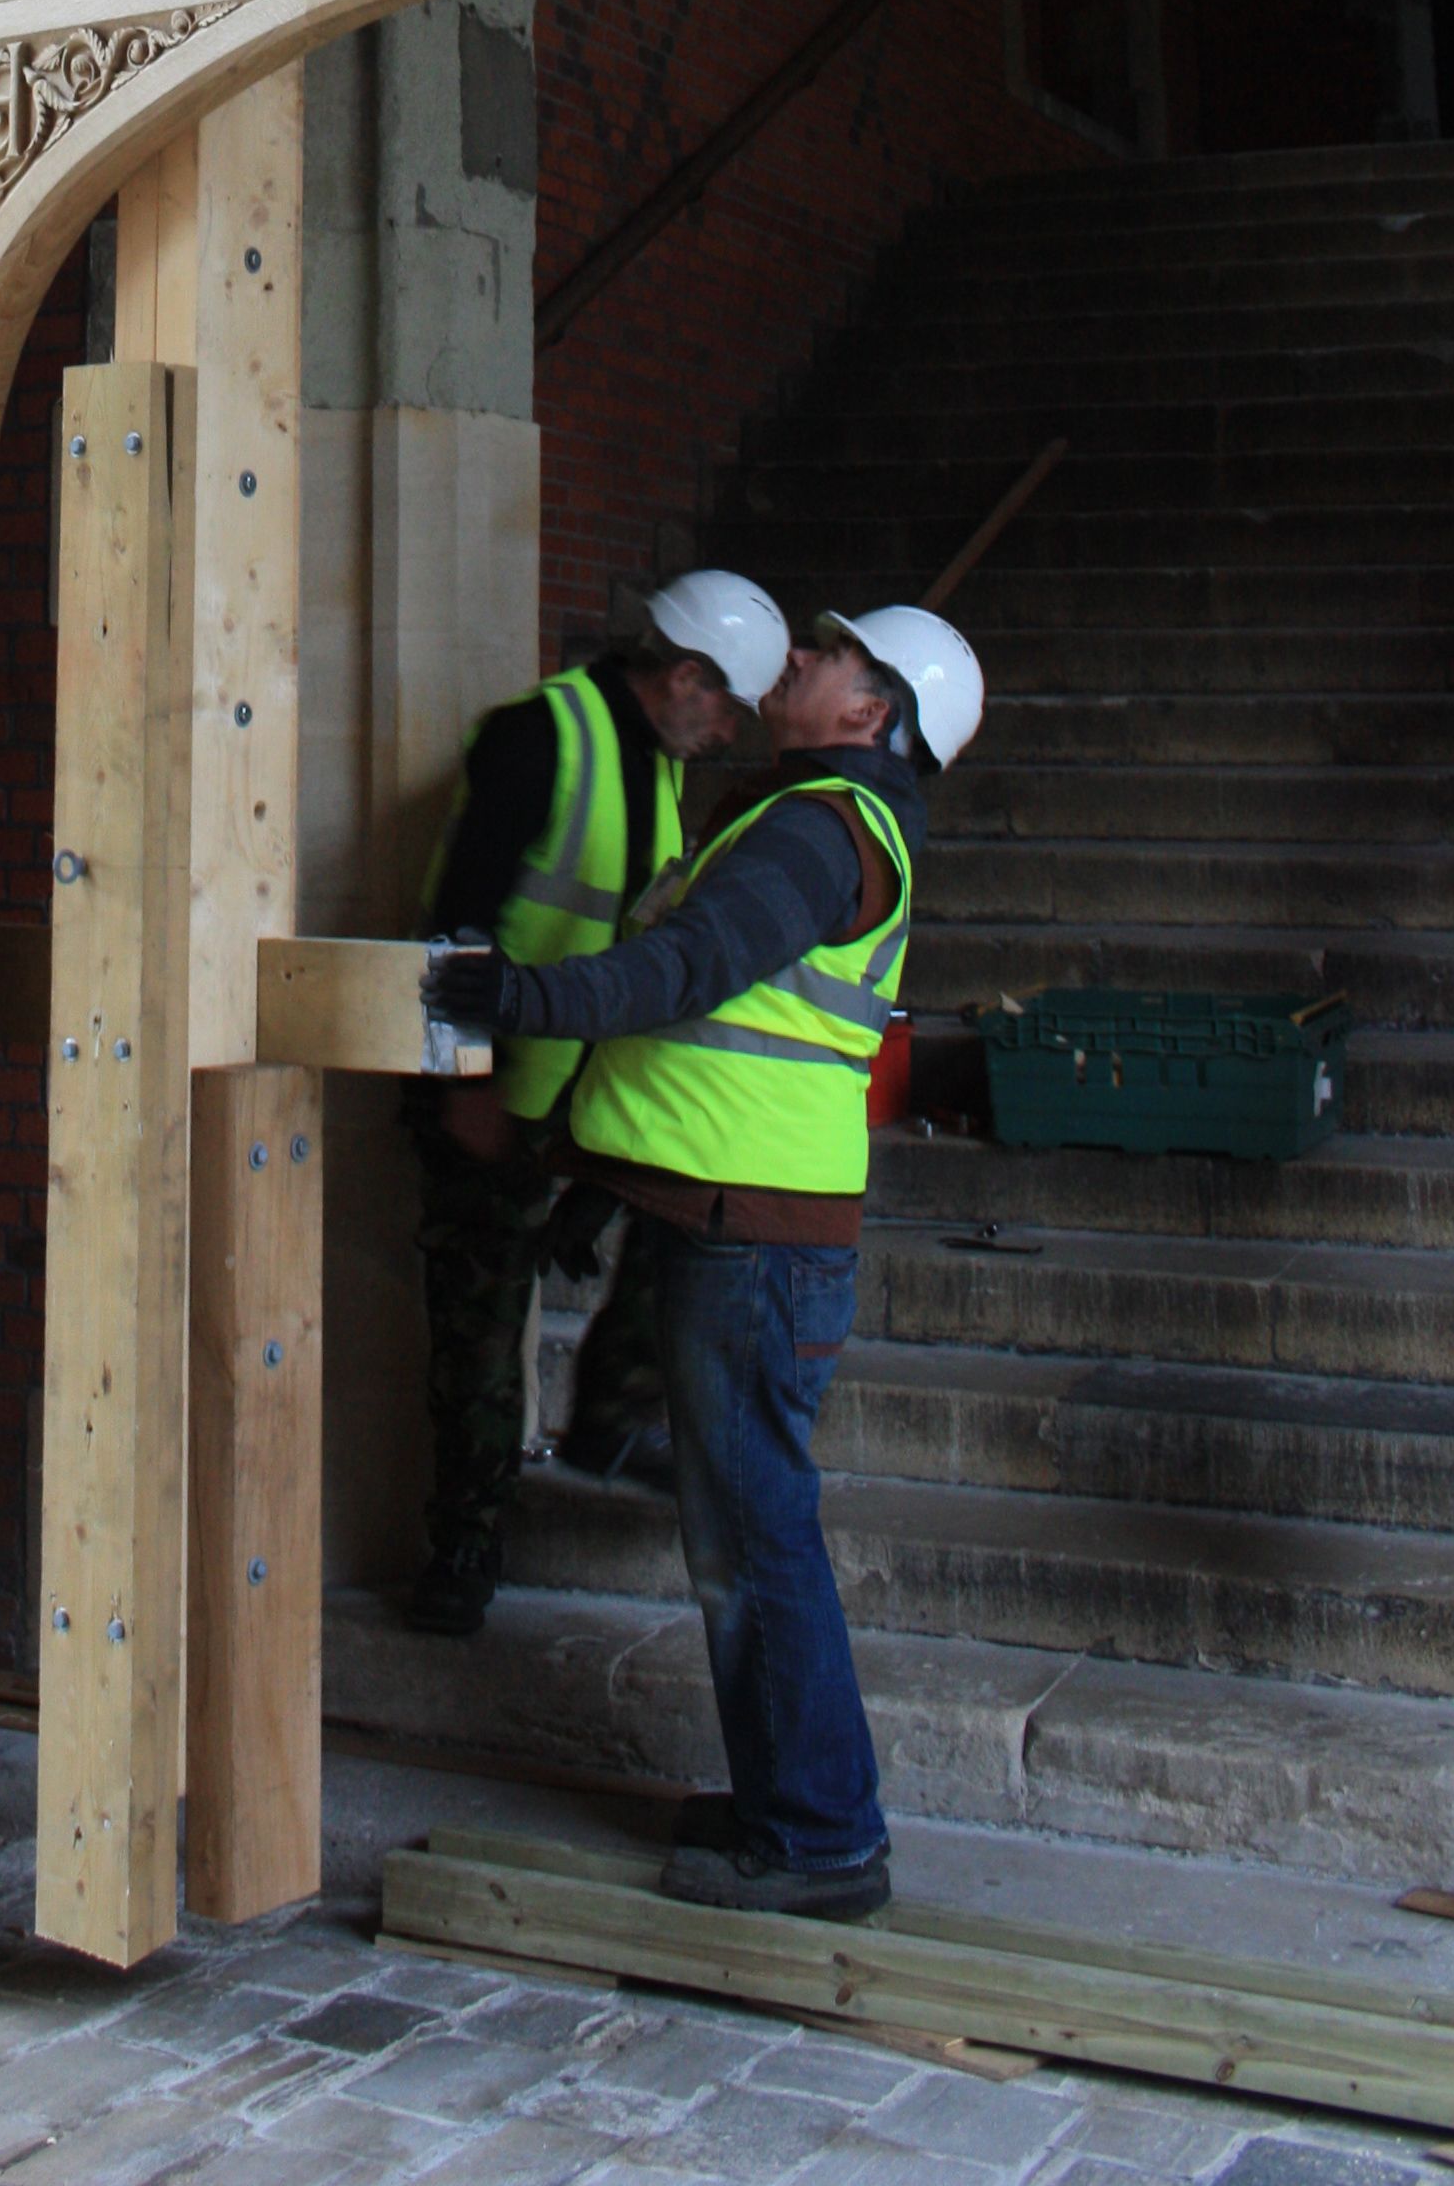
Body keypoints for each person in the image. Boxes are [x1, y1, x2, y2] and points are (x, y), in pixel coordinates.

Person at [427, 602, 985, 1922]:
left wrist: (518, 998)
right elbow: (717, 1047)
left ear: (871, 715)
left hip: (757, 1251)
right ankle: (795, 1802)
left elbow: (684, 974)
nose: (796, 658)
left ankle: (821, 1839)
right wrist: (595, 1179)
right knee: (745, 1537)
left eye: (829, 655)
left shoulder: (818, 830)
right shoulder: (813, 818)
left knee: (757, 1546)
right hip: (731, 1225)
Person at [401, 569, 792, 1636]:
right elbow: (455, 925)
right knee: (479, 1339)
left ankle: (611, 1421)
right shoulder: (542, 737)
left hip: (578, 1098)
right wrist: (462, 1090)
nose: (725, 734)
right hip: (498, 1096)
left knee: (681, 1214)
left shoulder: (657, 767)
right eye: (724, 709)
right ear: (683, 676)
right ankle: (463, 1549)